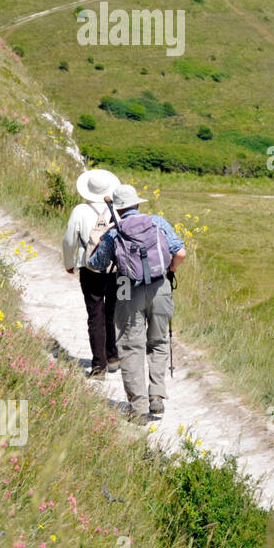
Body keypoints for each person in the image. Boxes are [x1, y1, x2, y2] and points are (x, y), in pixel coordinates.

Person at [87, 185, 186, 424]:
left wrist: (101, 242)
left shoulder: (114, 232)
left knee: (131, 347)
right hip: (159, 286)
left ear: (118, 210)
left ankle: (139, 408)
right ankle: (157, 395)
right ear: (138, 205)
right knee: (159, 341)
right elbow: (180, 253)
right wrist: (170, 270)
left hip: (126, 288)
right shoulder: (158, 223)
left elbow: (96, 264)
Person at [61, 169, 120, 378]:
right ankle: (113, 356)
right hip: (115, 269)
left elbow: (69, 240)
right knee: (113, 312)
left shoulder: (80, 210)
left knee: (95, 314)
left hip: (89, 267)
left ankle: (99, 365)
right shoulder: (117, 208)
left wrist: (69, 263)